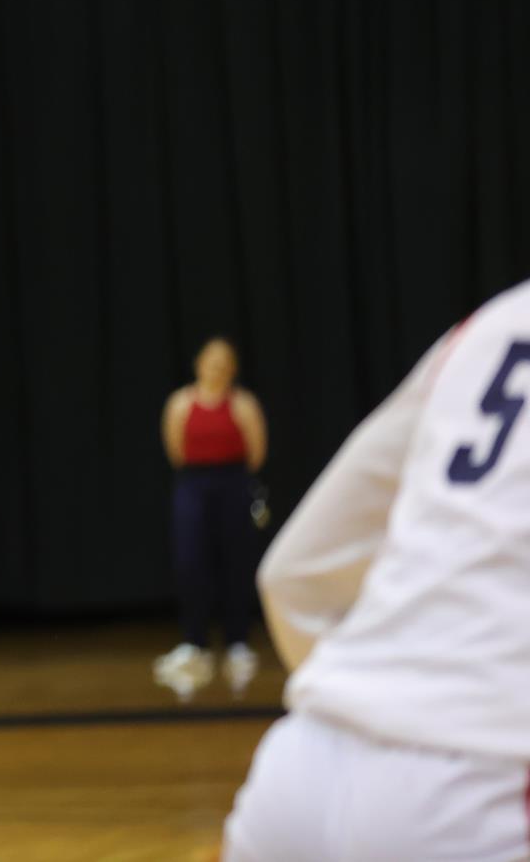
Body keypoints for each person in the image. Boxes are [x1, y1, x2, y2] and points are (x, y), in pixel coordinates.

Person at [224, 290, 530, 860]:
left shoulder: (486, 331)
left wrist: (374, 699)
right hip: (484, 791)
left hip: (300, 770)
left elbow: (295, 570)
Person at [153, 337, 269, 699]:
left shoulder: (244, 404)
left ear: (231, 369)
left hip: (233, 482)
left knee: (235, 561)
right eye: (210, 361)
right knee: (191, 563)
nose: (216, 368)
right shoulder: (180, 404)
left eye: (224, 363)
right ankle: (195, 644)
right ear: (199, 364)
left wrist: (232, 478)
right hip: (193, 484)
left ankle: (237, 642)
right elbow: (175, 449)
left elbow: (256, 451)